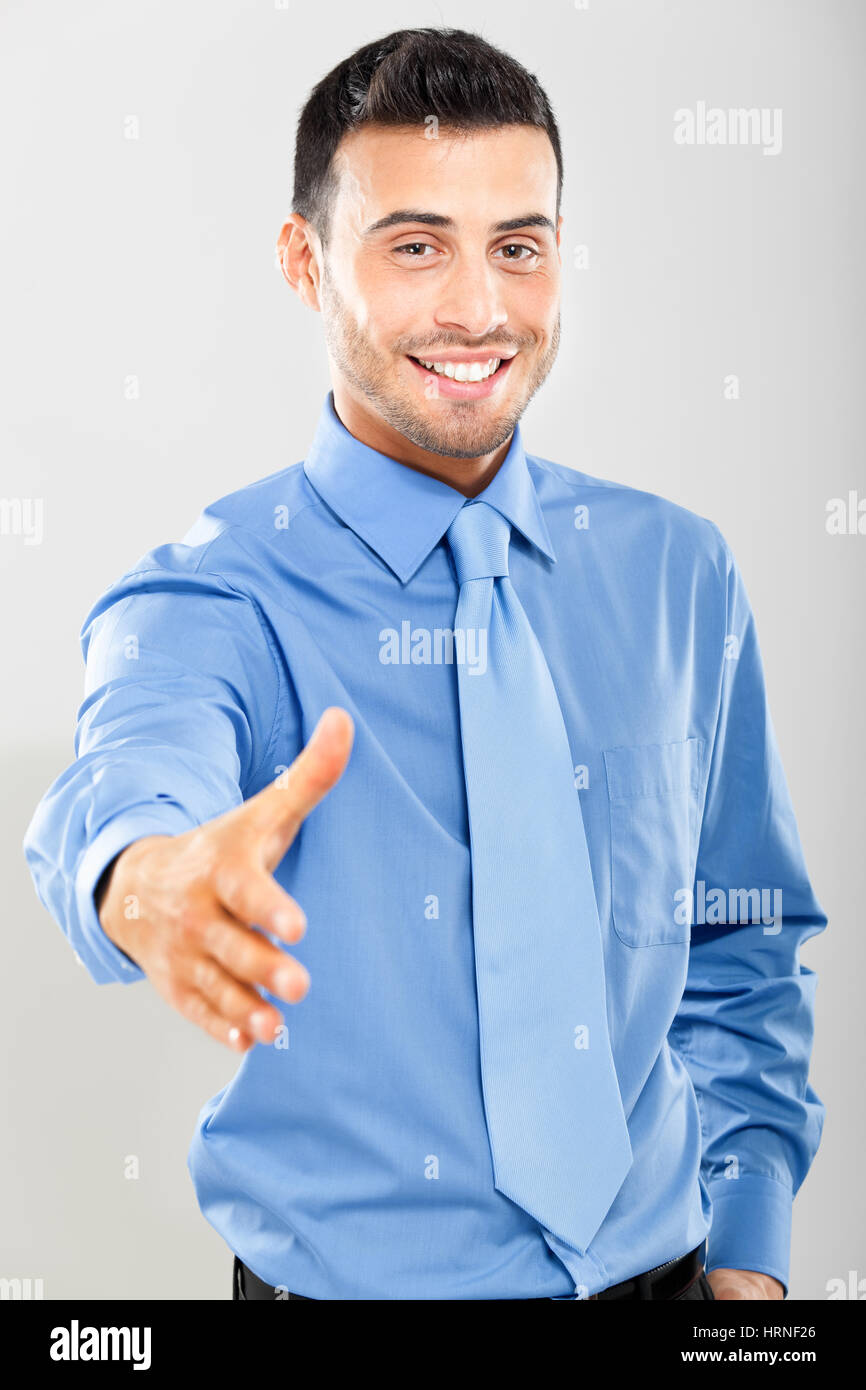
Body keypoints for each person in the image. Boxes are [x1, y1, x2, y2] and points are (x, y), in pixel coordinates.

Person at [23, 27, 826, 1302]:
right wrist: (148, 879)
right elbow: (129, 772)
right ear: (304, 262)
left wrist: (749, 1263)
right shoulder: (213, 592)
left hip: (674, 1287)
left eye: (517, 244)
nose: (476, 309)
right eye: (413, 246)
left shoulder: (676, 572)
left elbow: (739, 940)